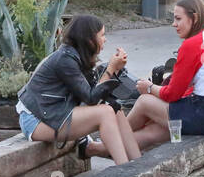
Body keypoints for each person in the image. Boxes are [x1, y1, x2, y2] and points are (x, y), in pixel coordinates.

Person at [16, 13, 142, 164]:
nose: (105, 39)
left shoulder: (77, 56)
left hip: (55, 112)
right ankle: (125, 170)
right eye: (102, 35)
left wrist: (113, 70)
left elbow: (95, 93)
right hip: (36, 120)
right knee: (106, 112)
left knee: (114, 107)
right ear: (89, 39)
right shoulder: (65, 60)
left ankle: (138, 164)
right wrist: (111, 69)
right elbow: (91, 99)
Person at [129, 0, 204, 143]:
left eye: (178, 19)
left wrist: (150, 88)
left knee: (144, 101)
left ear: (194, 18)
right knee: (160, 129)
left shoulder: (193, 44)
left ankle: (113, 139)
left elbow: (172, 94)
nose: (173, 24)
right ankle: (99, 148)